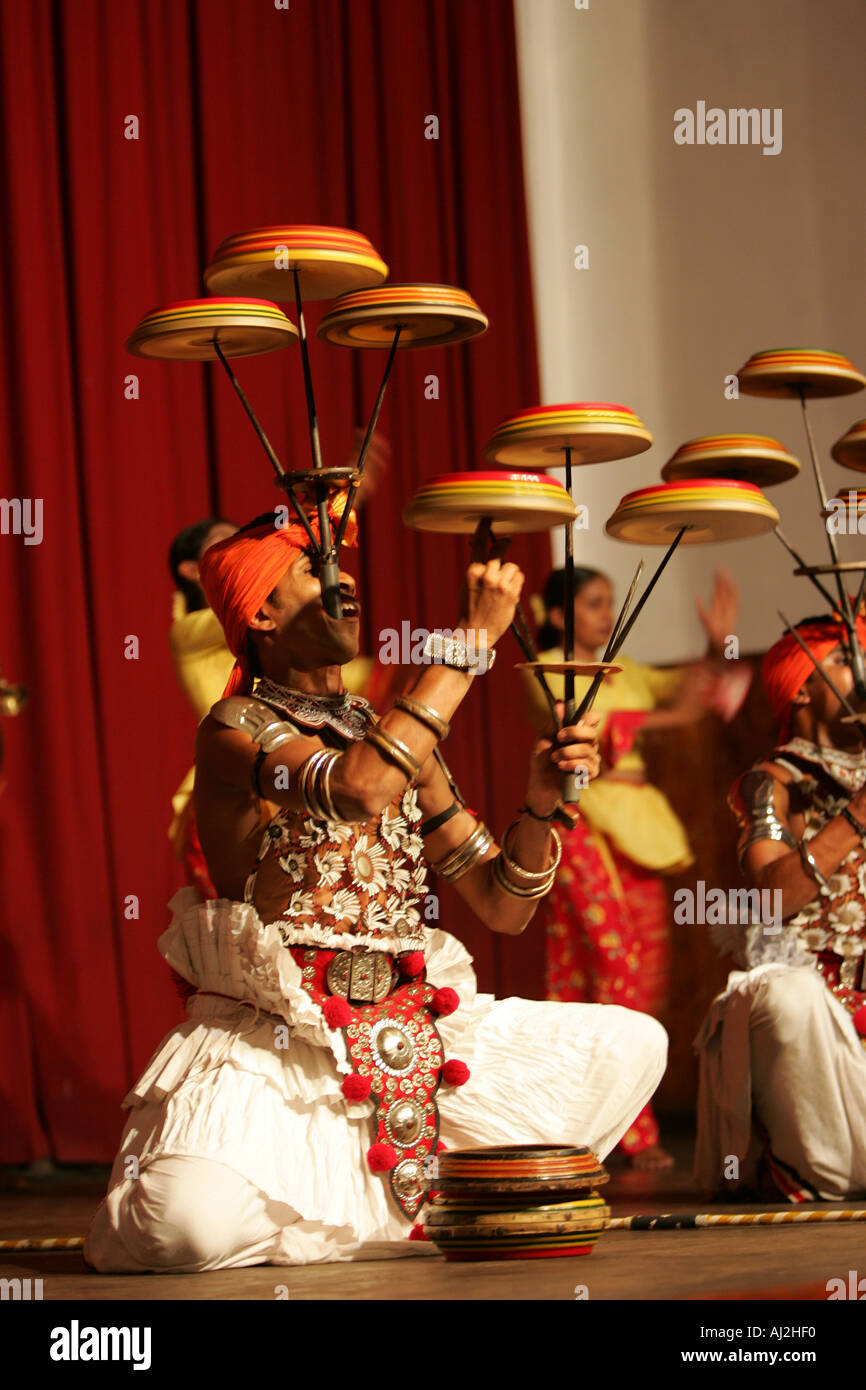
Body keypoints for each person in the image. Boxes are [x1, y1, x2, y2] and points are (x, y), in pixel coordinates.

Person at [85, 508, 667, 1271]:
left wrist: (540, 805)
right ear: (261, 614)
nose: (345, 583)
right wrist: (467, 643)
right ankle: (326, 1193)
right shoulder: (235, 728)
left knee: (633, 1043)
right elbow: (357, 789)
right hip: (281, 1041)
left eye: (346, 572)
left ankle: (370, 1201)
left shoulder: (389, 738)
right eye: (314, 573)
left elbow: (503, 904)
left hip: (413, 1030)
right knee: (180, 1229)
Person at [523, 565, 743, 1169]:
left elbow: (694, 694)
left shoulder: (624, 670)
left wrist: (716, 644)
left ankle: (589, 1119)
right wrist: (666, 717)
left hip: (638, 829)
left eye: (610, 602)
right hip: (582, 825)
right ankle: (630, 1131)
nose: (606, 614)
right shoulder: (547, 667)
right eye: (594, 603)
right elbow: (587, 730)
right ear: (561, 615)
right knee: (612, 965)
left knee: (635, 977)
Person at [694, 614, 866, 1201]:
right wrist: (857, 814)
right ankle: (812, 1165)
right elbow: (774, 896)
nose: (862, 668)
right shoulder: (772, 783)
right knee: (782, 997)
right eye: (844, 659)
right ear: (801, 690)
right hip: (827, 1032)